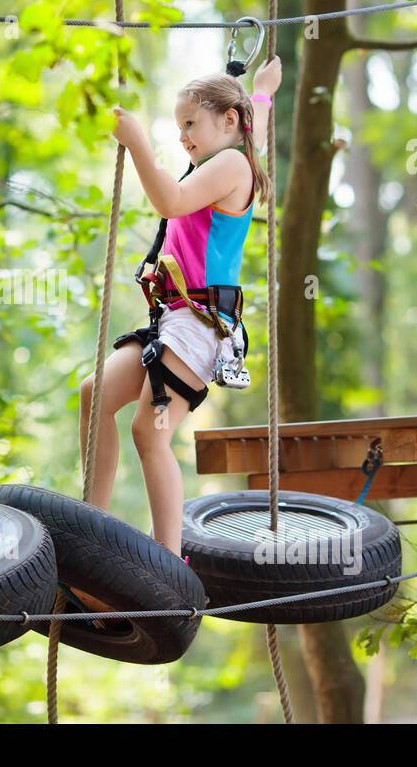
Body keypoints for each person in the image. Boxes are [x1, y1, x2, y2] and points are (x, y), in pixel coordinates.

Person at [80, 55, 282, 556]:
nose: (183, 136)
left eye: (190, 123)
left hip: (200, 325)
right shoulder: (228, 156)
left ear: (227, 121)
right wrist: (262, 92)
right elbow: (251, 128)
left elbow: (169, 201)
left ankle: (169, 555)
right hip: (173, 317)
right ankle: (93, 522)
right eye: (178, 127)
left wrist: (137, 142)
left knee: (150, 431)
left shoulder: (233, 164)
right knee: (94, 397)